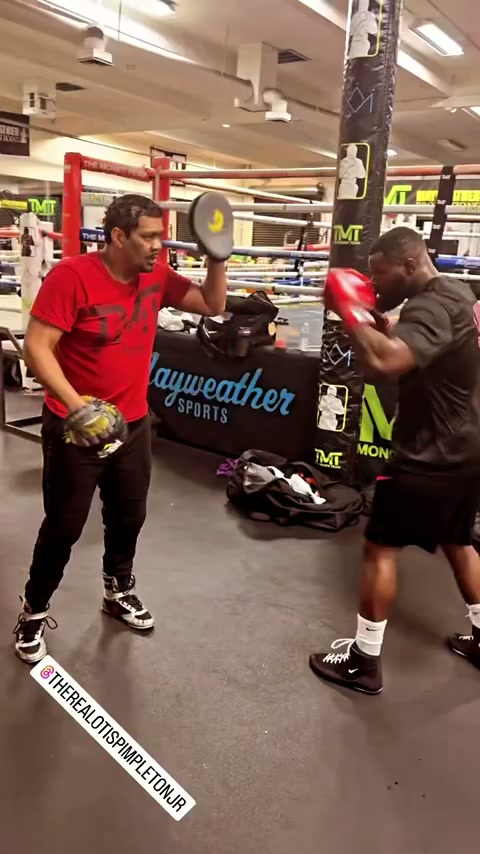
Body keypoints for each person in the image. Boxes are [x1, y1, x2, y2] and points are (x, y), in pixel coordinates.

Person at [13, 194, 227, 664]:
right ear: (118, 236)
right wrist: (74, 406)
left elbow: (212, 304)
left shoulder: (156, 276)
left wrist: (218, 257)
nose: (158, 246)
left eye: (161, 236)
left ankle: (118, 589)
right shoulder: (73, 278)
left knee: (129, 516)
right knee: (65, 525)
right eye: (149, 237)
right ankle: (33, 611)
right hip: (77, 427)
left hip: (132, 423)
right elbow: (38, 347)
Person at [310, 226, 480, 694]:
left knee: (379, 549)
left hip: (427, 456)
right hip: (466, 450)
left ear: (409, 266)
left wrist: (349, 309)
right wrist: (376, 319)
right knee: (458, 541)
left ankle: (363, 661)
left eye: (379, 273)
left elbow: (385, 362)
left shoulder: (429, 305)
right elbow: (421, 345)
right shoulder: (454, 291)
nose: (374, 282)